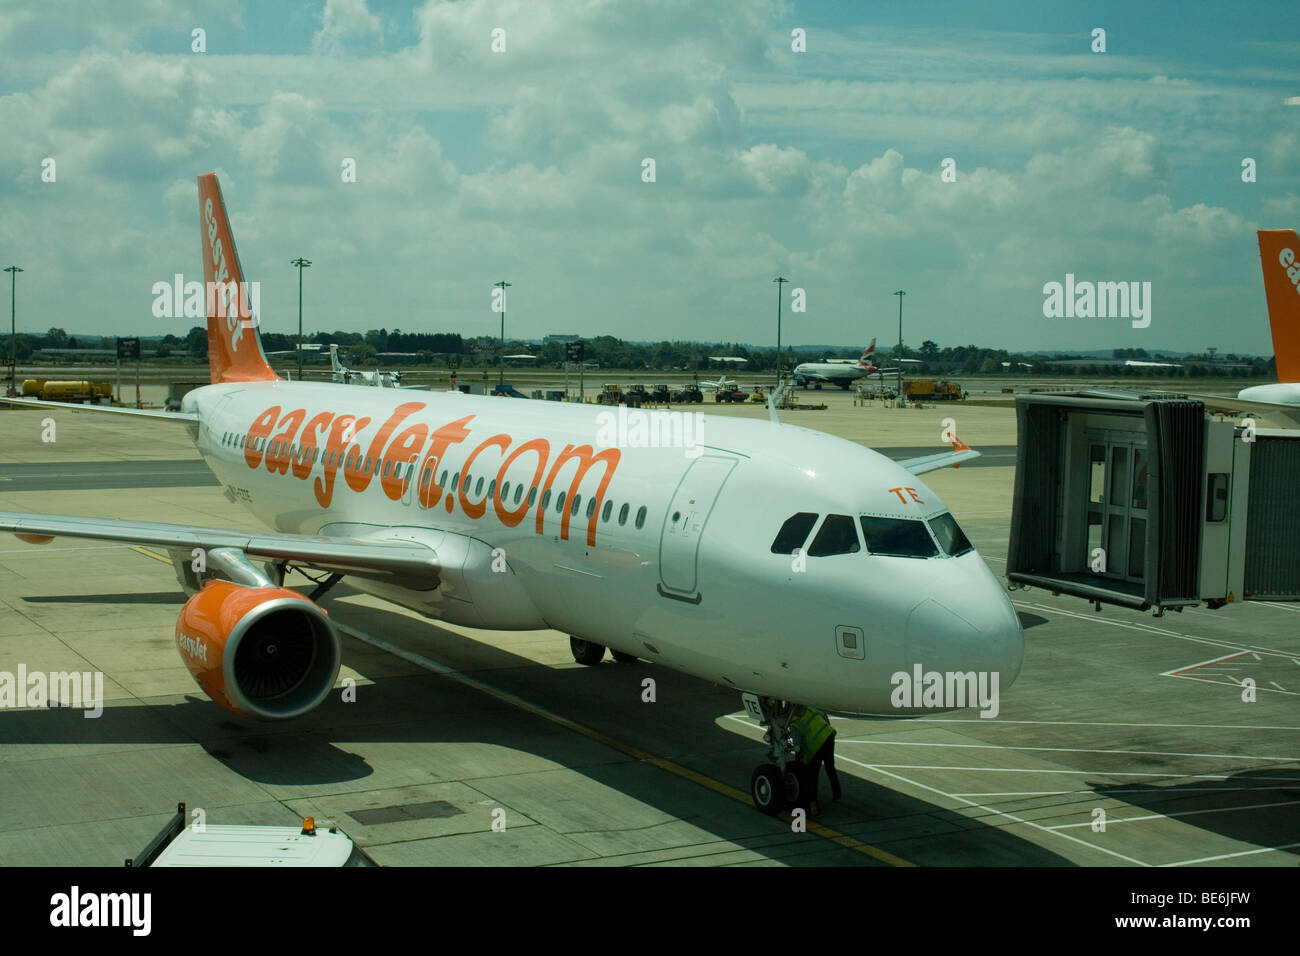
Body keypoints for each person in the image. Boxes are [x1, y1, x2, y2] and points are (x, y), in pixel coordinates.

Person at [790, 704, 841, 815]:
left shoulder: (794, 723)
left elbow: (797, 746)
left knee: (813, 775)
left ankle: (813, 806)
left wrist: (799, 761)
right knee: (830, 767)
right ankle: (837, 794)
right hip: (828, 736)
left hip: (818, 745)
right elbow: (825, 717)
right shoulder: (809, 708)